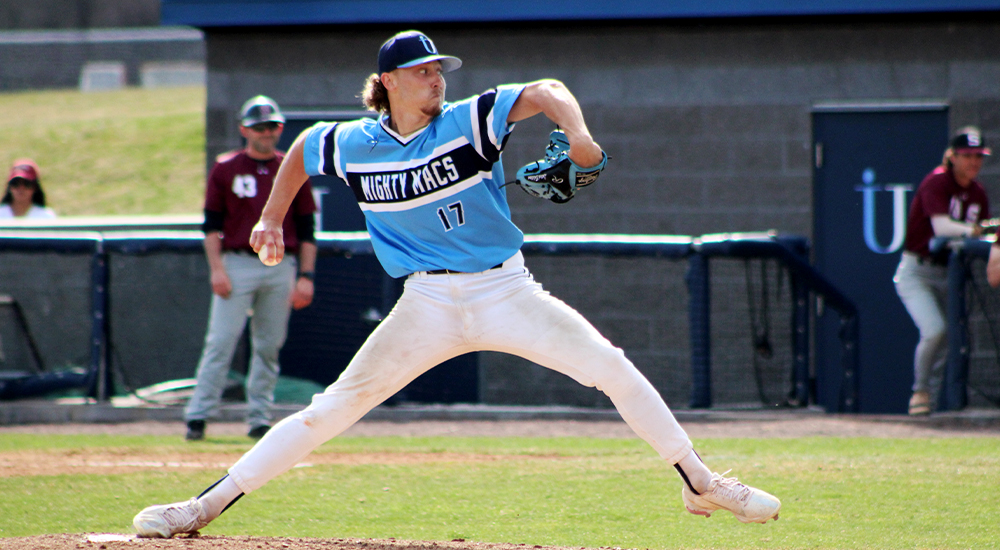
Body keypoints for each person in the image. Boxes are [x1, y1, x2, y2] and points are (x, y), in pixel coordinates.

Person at [133, 30, 781, 538]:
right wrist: (272, 216)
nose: (437, 78)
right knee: (327, 412)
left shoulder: (467, 121)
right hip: (427, 304)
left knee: (610, 366)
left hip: (507, 291)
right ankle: (202, 507)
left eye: (440, 68)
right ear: (387, 81)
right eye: (422, 70)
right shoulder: (356, 142)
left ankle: (700, 482)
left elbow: (546, 89)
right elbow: (303, 149)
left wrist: (578, 135)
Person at [182, 95, 318, 441]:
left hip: (279, 264)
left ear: (280, 128)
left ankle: (259, 417)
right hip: (238, 261)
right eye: (258, 126)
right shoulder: (226, 168)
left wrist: (306, 275)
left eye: (271, 125)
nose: (266, 132)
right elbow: (210, 226)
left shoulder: (291, 166)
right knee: (221, 341)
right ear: (244, 129)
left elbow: (307, 230)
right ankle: (198, 416)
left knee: (269, 345)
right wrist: (216, 268)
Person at [894, 126, 991, 416]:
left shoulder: (977, 192)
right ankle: (920, 391)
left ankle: (928, 408)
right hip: (918, 271)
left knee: (948, 339)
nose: (973, 162)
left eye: (978, 156)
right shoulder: (937, 181)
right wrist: (975, 231)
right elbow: (942, 228)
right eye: (967, 155)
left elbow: (981, 234)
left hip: (950, 273)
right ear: (953, 156)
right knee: (934, 330)